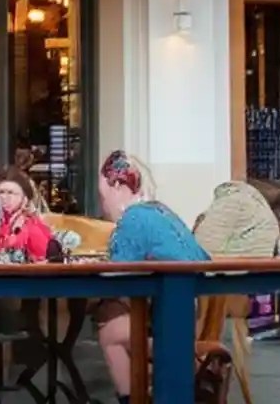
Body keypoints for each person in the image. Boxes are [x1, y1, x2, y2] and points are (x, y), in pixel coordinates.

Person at [93, 150, 208, 404]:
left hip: (172, 323)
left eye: (103, 196)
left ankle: (133, 400)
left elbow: (116, 274)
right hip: (188, 312)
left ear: (118, 187)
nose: (103, 206)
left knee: (109, 333)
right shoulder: (162, 212)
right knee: (116, 318)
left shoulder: (132, 219)